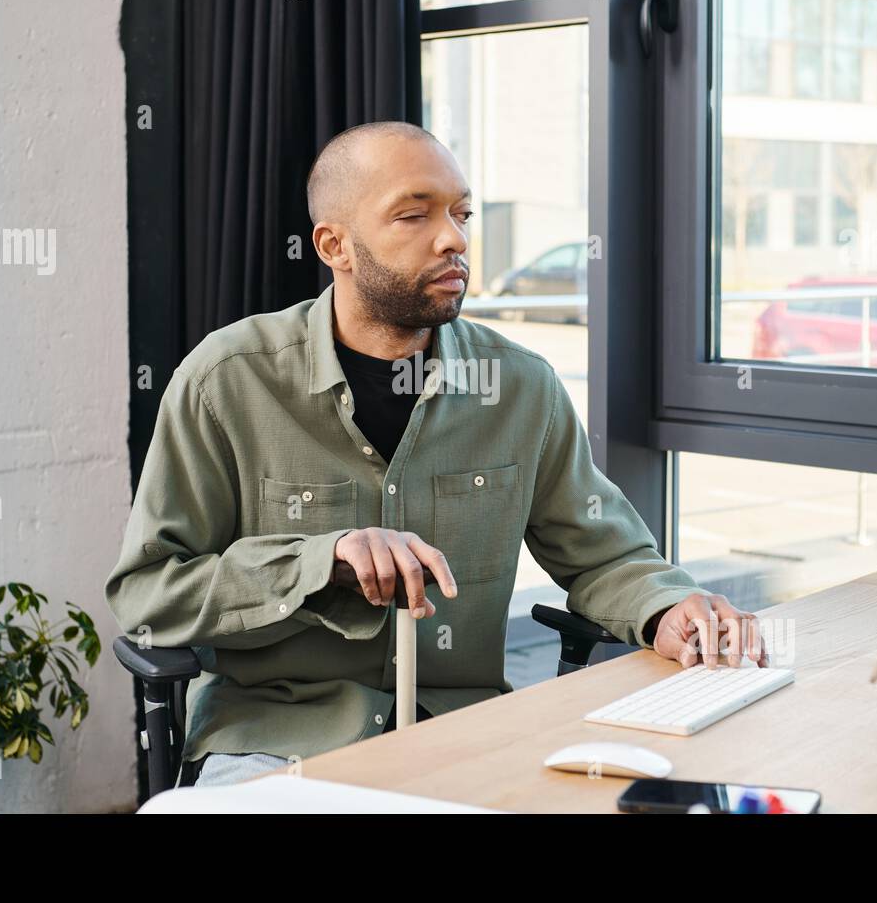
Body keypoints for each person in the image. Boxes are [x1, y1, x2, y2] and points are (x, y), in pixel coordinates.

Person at [106, 121, 766, 789]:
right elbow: (147, 593)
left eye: (462, 213)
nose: (453, 238)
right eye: (413, 215)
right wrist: (318, 562)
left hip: (468, 733)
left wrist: (666, 609)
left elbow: (607, 555)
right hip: (280, 741)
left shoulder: (520, 387)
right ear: (334, 244)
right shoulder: (227, 381)